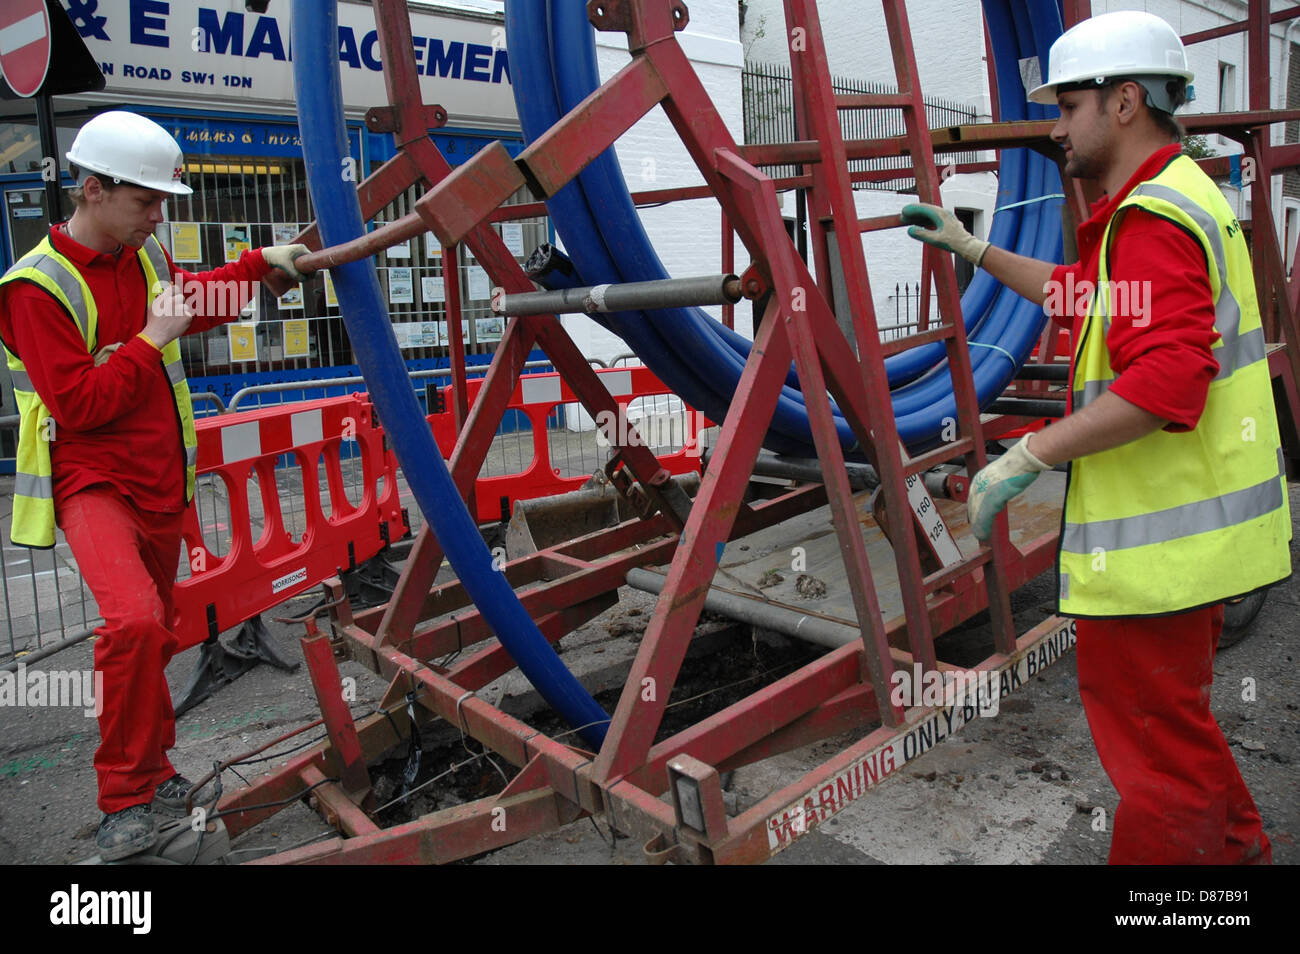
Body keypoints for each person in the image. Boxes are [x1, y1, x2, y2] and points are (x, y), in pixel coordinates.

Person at [902, 11, 1290, 864]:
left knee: (1156, 766)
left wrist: (1028, 455)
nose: (1053, 124)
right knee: (1176, 735)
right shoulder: (1167, 201)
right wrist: (974, 246)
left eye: (1067, 103)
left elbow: (1166, 382)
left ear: (1123, 103)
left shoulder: (1153, 216)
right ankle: (1241, 862)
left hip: (1160, 560)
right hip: (1185, 547)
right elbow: (1079, 294)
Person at [0, 111, 309, 861]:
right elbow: (78, 405)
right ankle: (124, 802)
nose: (159, 216)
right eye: (146, 201)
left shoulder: (142, 257)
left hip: (161, 479)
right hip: (92, 482)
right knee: (133, 625)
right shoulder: (32, 289)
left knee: (156, 631)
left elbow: (190, 301)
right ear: (94, 190)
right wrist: (151, 339)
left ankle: (156, 774)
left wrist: (262, 263)